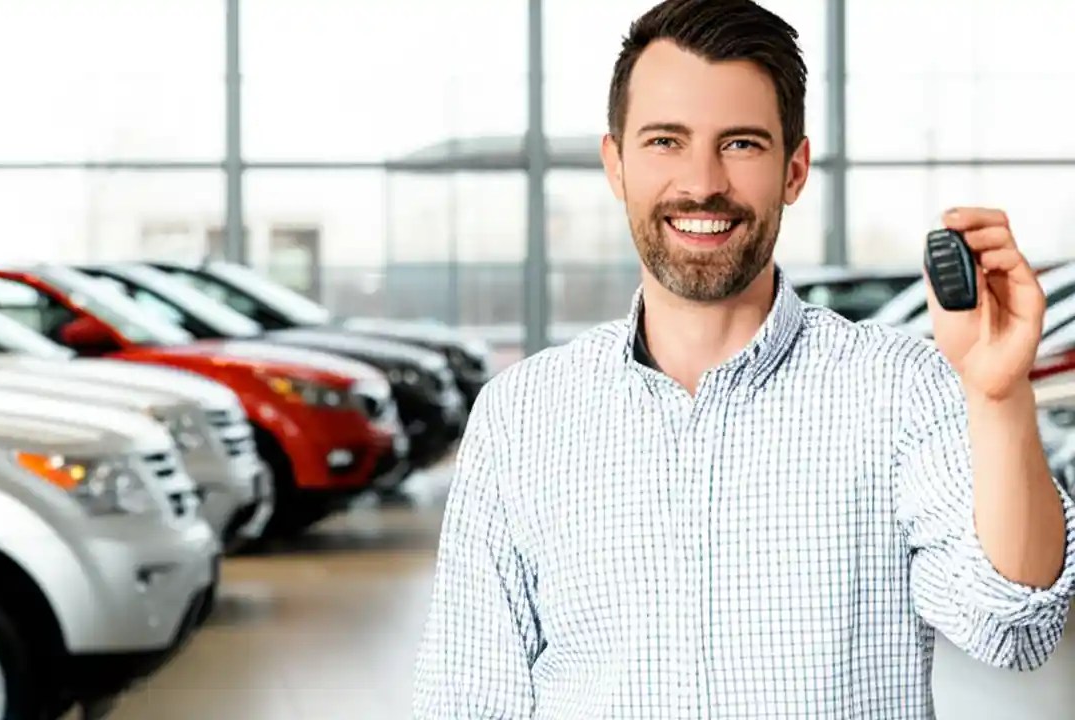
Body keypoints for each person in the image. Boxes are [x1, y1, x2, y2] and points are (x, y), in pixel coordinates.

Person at [411, 0, 1075, 717]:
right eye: (666, 140)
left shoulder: (900, 388)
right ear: (616, 164)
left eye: (742, 144)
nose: (702, 182)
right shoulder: (522, 415)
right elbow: (468, 698)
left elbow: (1015, 626)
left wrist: (1000, 395)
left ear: (794, 170)